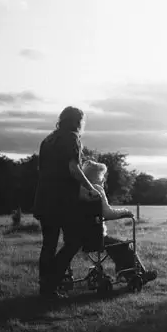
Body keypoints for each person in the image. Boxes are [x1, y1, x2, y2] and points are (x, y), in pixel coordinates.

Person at [32, 106, 100, 299]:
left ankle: (46, 288)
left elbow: (44, 170)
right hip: (61, 201)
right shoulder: (71, 138)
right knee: (74, 241)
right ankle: (52, 280)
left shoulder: (48, 140)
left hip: (44, 198)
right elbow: (73, 168)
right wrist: (90, 187)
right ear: (78, 121)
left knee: (49, 245)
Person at [80, 160, 158, 284]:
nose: (104, 179)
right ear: (96, 176)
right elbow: (108, 213)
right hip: (96, 237)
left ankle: (129, 273)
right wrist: (125, 212)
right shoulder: (97, 189)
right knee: (125, 245)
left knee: (115, 246)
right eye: (102, 176)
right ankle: (132, 273)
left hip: (78, 237)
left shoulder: (78, 190)